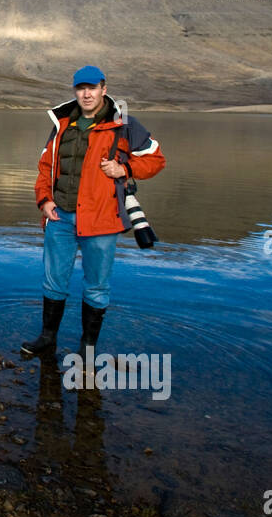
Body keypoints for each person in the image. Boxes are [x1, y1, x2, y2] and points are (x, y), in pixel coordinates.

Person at [22, 65, 165, 358]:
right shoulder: (62, 124)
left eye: (92, 88)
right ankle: (47, 339)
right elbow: (45, 167)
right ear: (75, 91)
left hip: (101, 219)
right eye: (80, 88)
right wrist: (44, 201)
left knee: (97, 285)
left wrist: (124, 168)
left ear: (104, 89)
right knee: (53, 280)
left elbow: (156, 159)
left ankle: (88, 347)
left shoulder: (124, 125)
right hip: (60, 216)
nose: (86, 94)